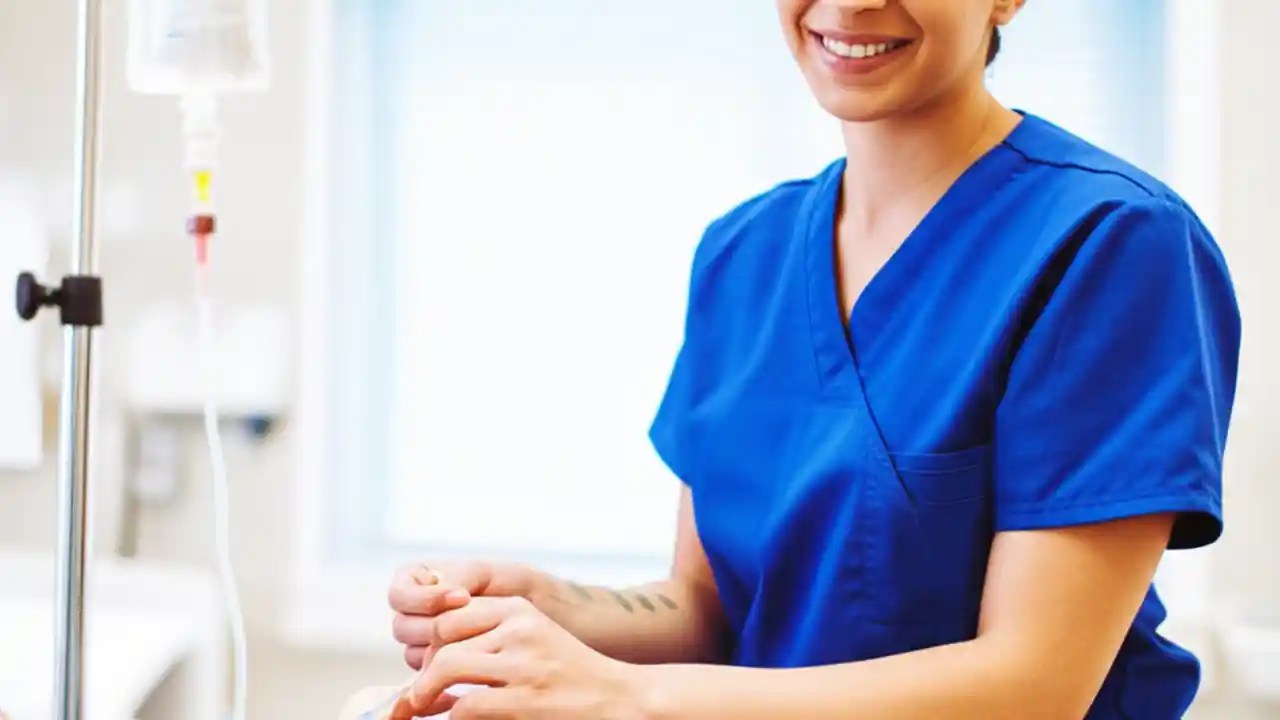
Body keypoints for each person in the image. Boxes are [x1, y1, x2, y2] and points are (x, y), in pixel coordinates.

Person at [384, 1, 1241, 718]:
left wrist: (623, 696)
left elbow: (1034, 684)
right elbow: (708, 610)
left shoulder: (1110, 243)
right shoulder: (743, 252)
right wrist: (547, 604)